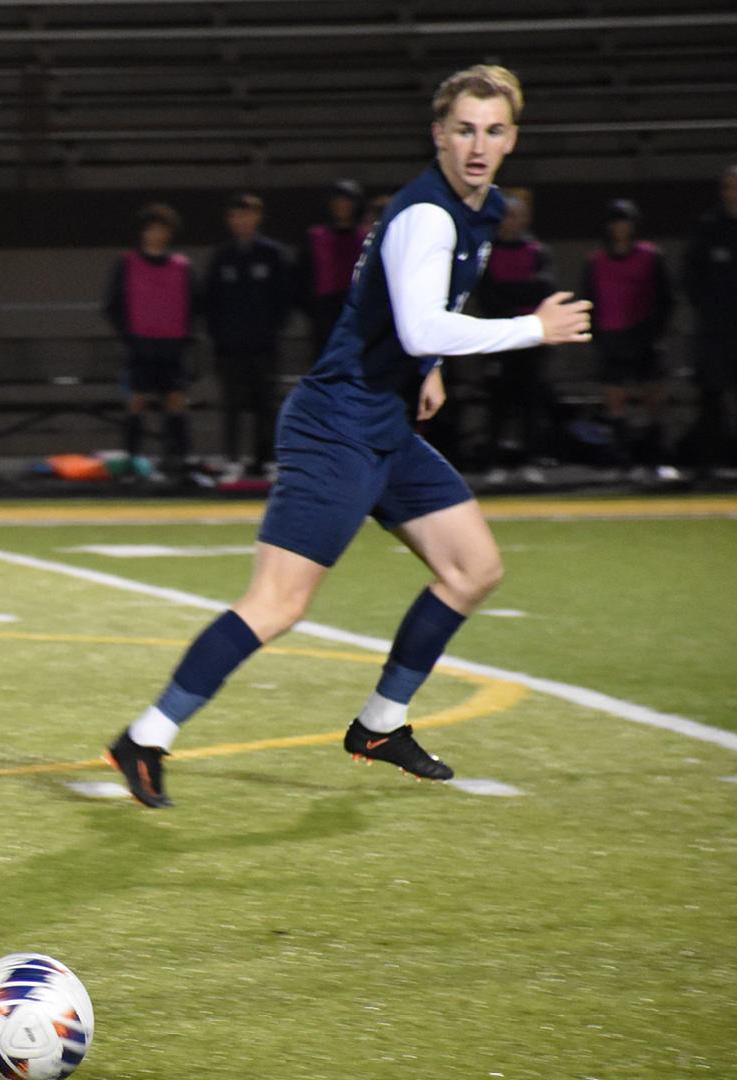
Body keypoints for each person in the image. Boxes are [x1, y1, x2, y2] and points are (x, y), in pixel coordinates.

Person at [102, 65, 592, 809]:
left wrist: (423, 367)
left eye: (493, 131)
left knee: (473, 569)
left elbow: (414, 320)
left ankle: (379, 723)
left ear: (513, 138)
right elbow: (423, 318)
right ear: (438, 133)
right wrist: (535, 329)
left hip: (385, 423)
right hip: (337, 426)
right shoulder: (429, 213)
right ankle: (145, 737)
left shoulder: (483, 208)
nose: (477, 145)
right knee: (276, 604)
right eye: (463, 129)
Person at [203, 193, 294, 475]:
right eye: (236, 216)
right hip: (229, 348)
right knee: (231, 404)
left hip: (264, 347)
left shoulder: (272, 255)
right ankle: (232, 458)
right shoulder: (222, 257)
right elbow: (210, 302)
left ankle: (264, 460)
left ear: (258, 217)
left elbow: (284, 299)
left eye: (248, 215)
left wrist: (270, 331)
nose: (242, 221)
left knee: (265, 405)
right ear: (230, 220)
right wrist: (221, 336)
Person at [472, 188, 557, 483]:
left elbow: (545, 289)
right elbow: (487, 298)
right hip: (499, 339)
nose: (512, 221)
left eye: (518, 216)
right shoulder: (487, 252)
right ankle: (494, 464)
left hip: (532, 339)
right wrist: (520, 293)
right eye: (508, 215)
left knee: (532, 403)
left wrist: (512, 292)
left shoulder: (538, 252)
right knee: (498, 403)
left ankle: (531, 461)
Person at [104, 202, 195, 476]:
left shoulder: (181, 266)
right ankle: (133, 462)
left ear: (170, 234)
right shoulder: (127, 263)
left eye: (162, 230)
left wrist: (183, 335)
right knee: (137, 401)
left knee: (176, 400)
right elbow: (112, 305)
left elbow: (196, 303)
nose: (156, 235)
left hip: (172, 348)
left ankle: (178, 461)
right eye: (151, 229)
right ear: (143, 232)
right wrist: (130, 336)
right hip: (140, 348)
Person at [583, 199, 675, 470]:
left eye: (625, 222)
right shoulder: (596, 261)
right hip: (612, 337)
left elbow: (665, 298)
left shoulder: (650, 256)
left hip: (644, 336)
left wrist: (654, 331)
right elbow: (589, 299)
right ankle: (621, 457)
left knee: (653, 396)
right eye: (616, 223)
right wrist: (599, 334)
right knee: (615, 399)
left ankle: (656, 455)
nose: (621, 228)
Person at [681, 165, 737, 472]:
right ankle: (713, 464)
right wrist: (713, 310)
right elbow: (692, 278)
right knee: (712, 398)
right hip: (717, 334)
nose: (733, 193)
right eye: (729, 186)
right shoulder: (709, 228)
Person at [302, 179, 369, 361]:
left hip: (358, 318)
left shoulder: (366, 238)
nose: (342, 206)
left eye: (347, 201)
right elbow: (303, 279)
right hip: (325, 320)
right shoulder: (316, 237)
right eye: (338, 201)